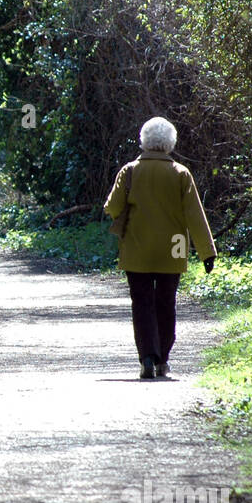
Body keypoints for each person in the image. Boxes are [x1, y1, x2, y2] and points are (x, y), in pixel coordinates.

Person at [103, 116, 217, 380]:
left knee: (142, 303)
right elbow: (195, 215)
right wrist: (207, 252)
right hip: (174, 247)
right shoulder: (180, 173)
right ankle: (163, 359)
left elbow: (112, 207)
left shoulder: (129, 171)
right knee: (166, 302)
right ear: (170, 143)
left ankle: (147, 357)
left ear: (144, 140)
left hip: (137, 246)